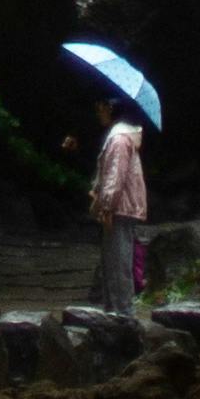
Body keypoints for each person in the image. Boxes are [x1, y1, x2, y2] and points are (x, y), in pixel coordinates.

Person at [87, 97, 150, 311]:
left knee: (118, 262)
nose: (98, 112)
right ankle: (114, 309)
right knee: (113, 261)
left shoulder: (120, 140)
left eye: (101, 107)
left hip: (119, 208)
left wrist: (106, 206)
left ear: (110, 108)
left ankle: (122, 312)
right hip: (119, 207)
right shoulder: (119, 137)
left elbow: (116, 177)